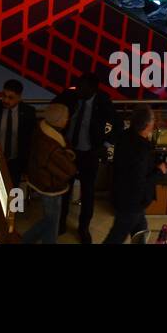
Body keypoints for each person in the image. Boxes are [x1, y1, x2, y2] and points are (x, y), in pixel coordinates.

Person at [52, 71, 115, 242]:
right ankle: (61, 224)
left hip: (90, 153)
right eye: (78, 85)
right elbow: (53, 108)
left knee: (88, 193)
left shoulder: (103, 101)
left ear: (92, 89)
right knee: (65, 189)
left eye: (82, 87)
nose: (78, 89)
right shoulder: (70, 96)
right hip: (69, 152)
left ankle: (84, 228)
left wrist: (105, 146)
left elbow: (115, 124)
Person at [103, 106, 165, 244]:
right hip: (132, 202)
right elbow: (139, 182)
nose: (155, 122)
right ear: (147, 125)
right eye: (154, 119)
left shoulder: (126, 135)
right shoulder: (142, 149)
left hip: (123, 195)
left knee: (141, 231)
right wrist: (159, 171)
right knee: (116, 237)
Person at [19, 103, 76, 244]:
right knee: (51, 221)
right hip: (51, 186)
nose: (67, 120)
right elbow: (69, 169)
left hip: (40, 181)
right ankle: (26, 240)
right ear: (58, 121)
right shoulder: (52, 144)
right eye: (65, 118)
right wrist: (69, 155)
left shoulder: (42, 129)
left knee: (50, 220)